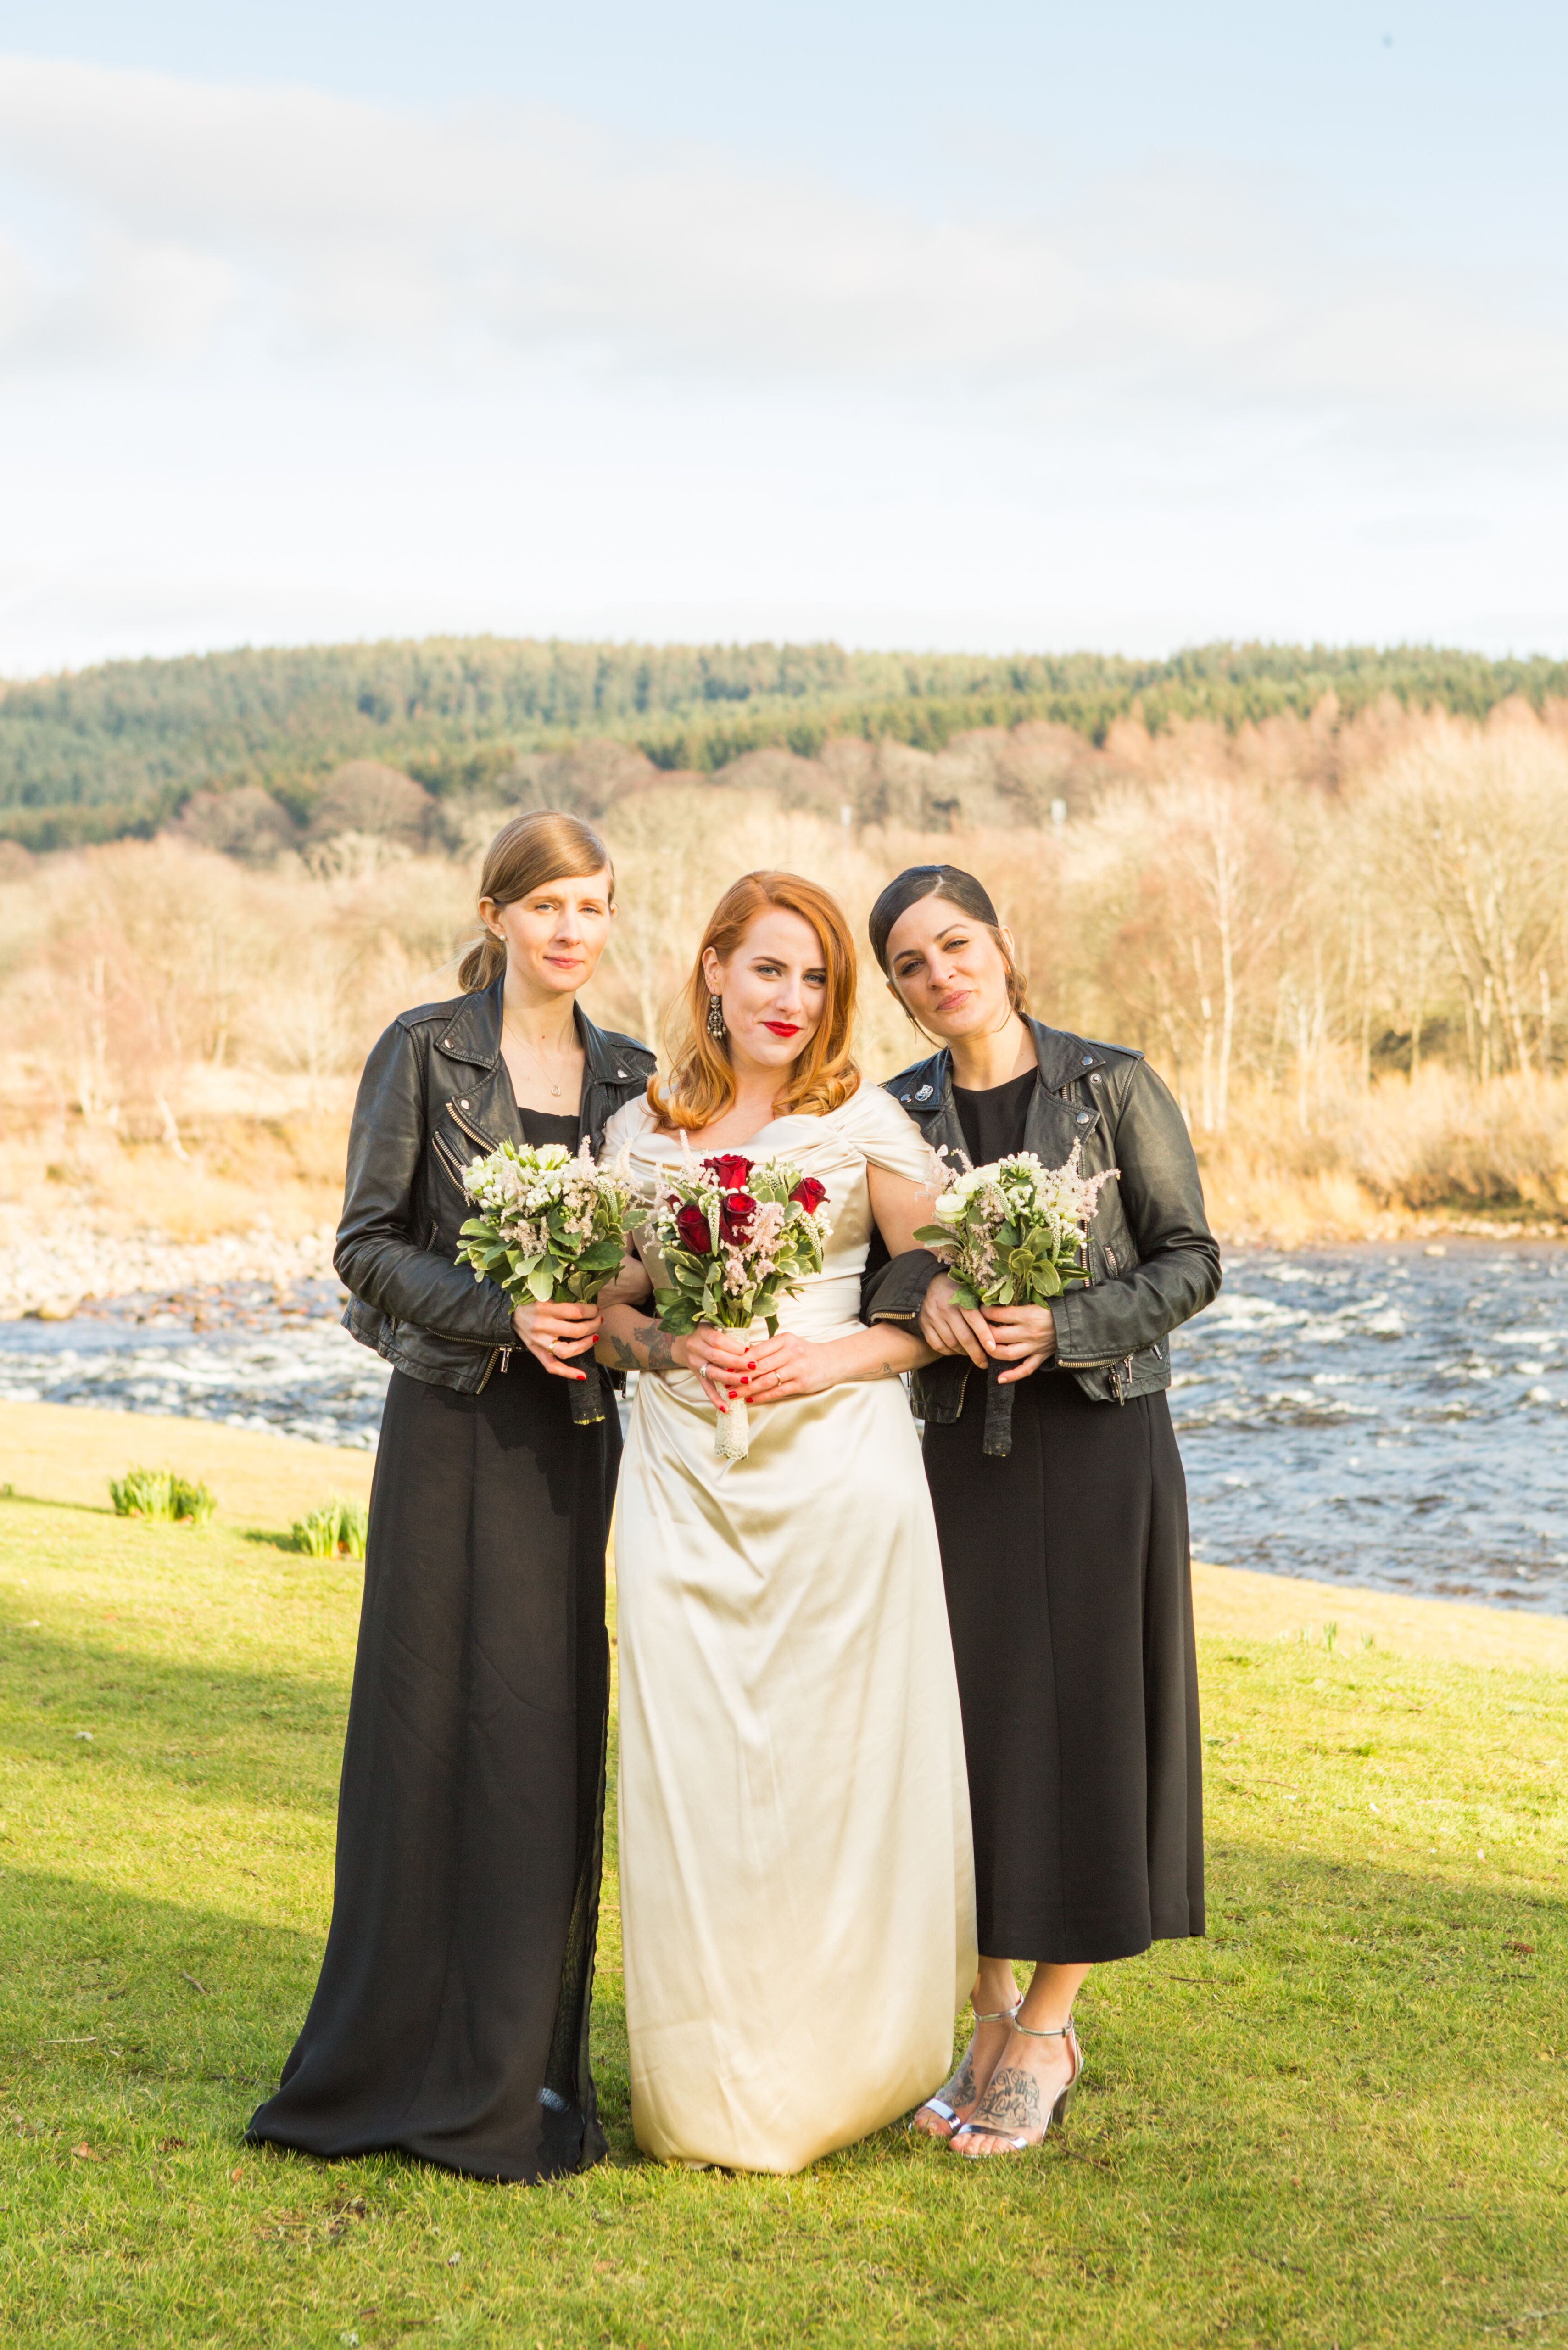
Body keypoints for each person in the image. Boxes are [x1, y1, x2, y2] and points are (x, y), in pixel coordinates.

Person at [248, 811, 653, 2184]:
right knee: (425, 1728)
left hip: (579, 1436)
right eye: (545, 906)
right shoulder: (424, 1049)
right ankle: (389, 2056)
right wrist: (497, 1315)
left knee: (543, 1735)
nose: (569, 930)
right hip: (450, 1422)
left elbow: (649, 1266)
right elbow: (363, 1245)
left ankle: (523, 2073)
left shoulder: (637, 1077)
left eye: (591, 908)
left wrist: (614, 1316)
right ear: (495, 915)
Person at [596, 871, 975, 2174]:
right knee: (693, 1764)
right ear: (712, 971)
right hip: (681, 1475)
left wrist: (842, 1358)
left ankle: (835, 2070)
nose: (791, 1002)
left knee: (828, 1770)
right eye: (769, 971)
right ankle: (702, 2085)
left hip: (835, 1477)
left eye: (816, 980)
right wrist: (662, 1347)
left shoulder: (864, 1123)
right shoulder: (640, 1134)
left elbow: (935, 1303)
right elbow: (608, 1311)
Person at [863, 862, 1220, 2158]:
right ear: (898, 993)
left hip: (1098, 1446)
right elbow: (867, 1270)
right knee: (966, 1732)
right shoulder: (888, 1113)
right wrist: (921, 1296)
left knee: (1083, 1727)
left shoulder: (1110, 1084)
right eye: (908, 963)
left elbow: (1191, 1261)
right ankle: (986, 2009)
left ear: (1001, 947)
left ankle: (1050, 2029)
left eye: (954, 944)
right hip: (953, 1461)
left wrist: (1063, 1324)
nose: (938, 973)